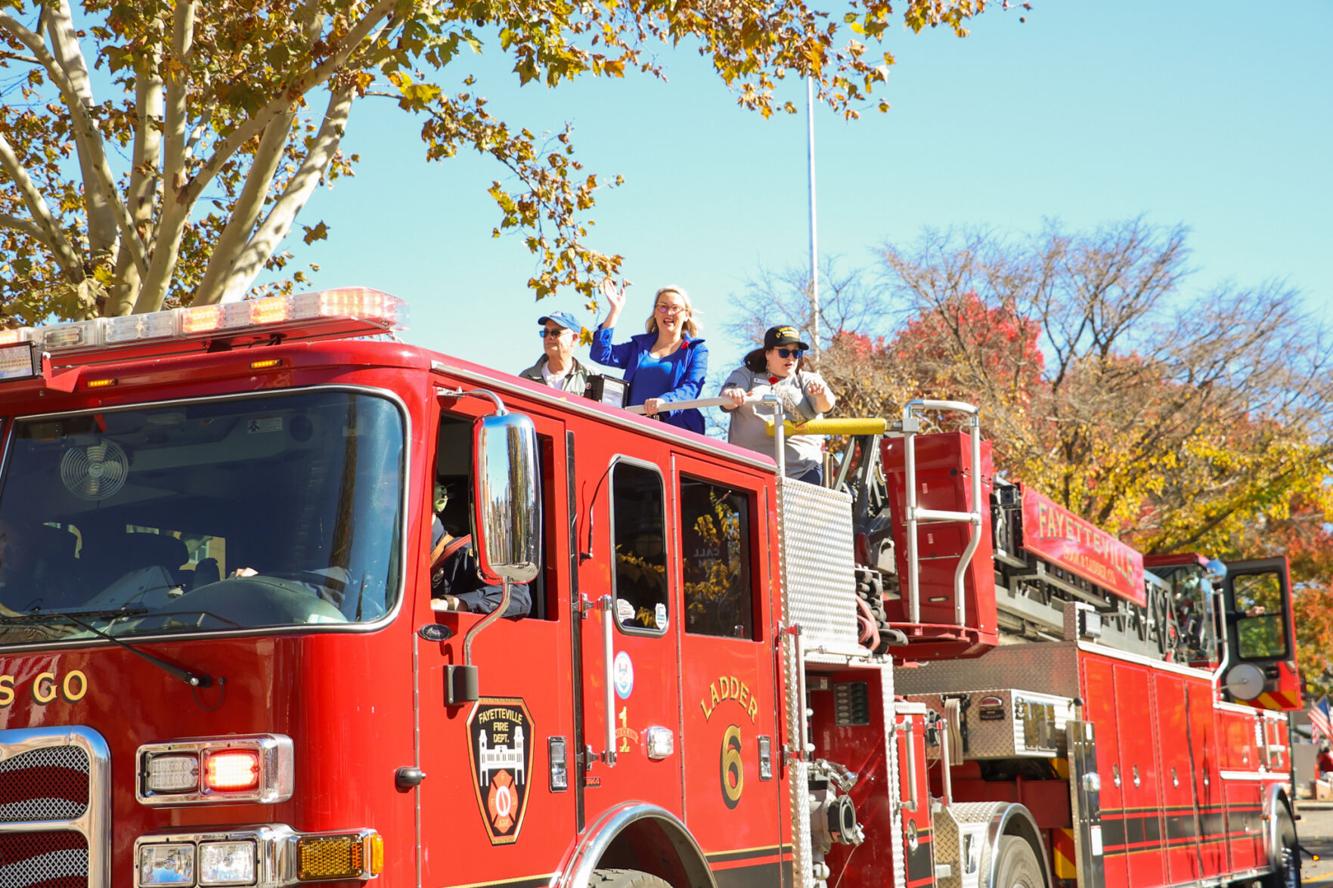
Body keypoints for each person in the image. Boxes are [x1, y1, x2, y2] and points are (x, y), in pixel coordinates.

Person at [720, 325, 836, 484]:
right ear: (767, 353)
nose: (791, 358)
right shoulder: (746, 375)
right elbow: (726, 399)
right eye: (784, 352)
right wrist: (732, 395)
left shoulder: (806, 379)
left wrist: (821, 394)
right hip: (751, 471)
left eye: (796, 353)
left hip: (802, 471)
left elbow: (826, 406)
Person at [590, 278, 708, 434]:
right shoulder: (639, 346)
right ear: (655, 312)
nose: (669, 312)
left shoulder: (696, 350)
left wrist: (665, 401)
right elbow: (601, 354)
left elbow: (691, 387)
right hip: (633, 428)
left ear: (686, 314)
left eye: (675, 308)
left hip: (674, 431)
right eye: (663, 307)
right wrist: (615, 310)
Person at [519, 311, 592, 393]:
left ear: (574, 338)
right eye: (545, 333)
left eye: (555, 333)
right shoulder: (525, 378)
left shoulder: (591, 377)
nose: (549, 337)